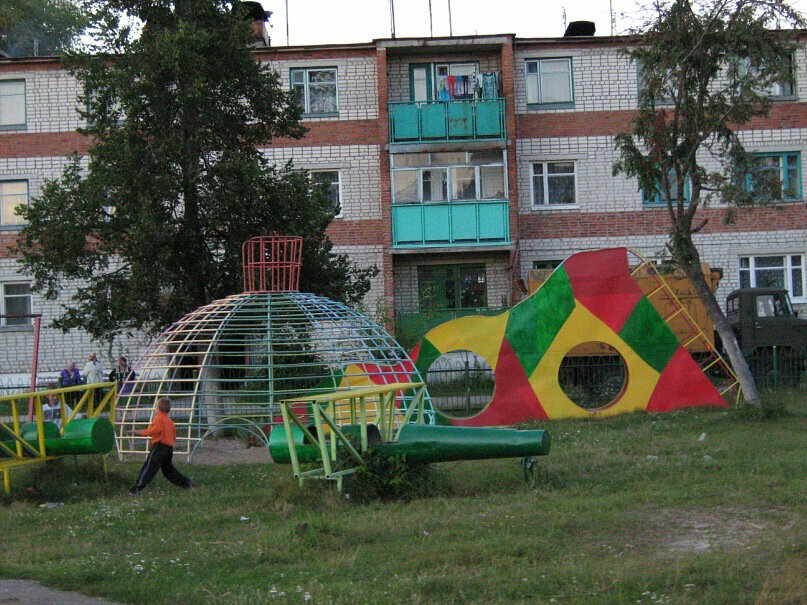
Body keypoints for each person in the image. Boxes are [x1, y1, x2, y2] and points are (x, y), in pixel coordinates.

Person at [129, 397, 193, 495]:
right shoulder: (169, 421)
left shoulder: (158, 418)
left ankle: (137, 489)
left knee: (149, 468)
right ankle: (187, 483)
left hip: (160, 448)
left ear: (158, 408)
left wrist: (139, 432)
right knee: (168, 470)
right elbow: (173, 435)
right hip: (169, 449)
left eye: (155, 407)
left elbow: (153, 430)